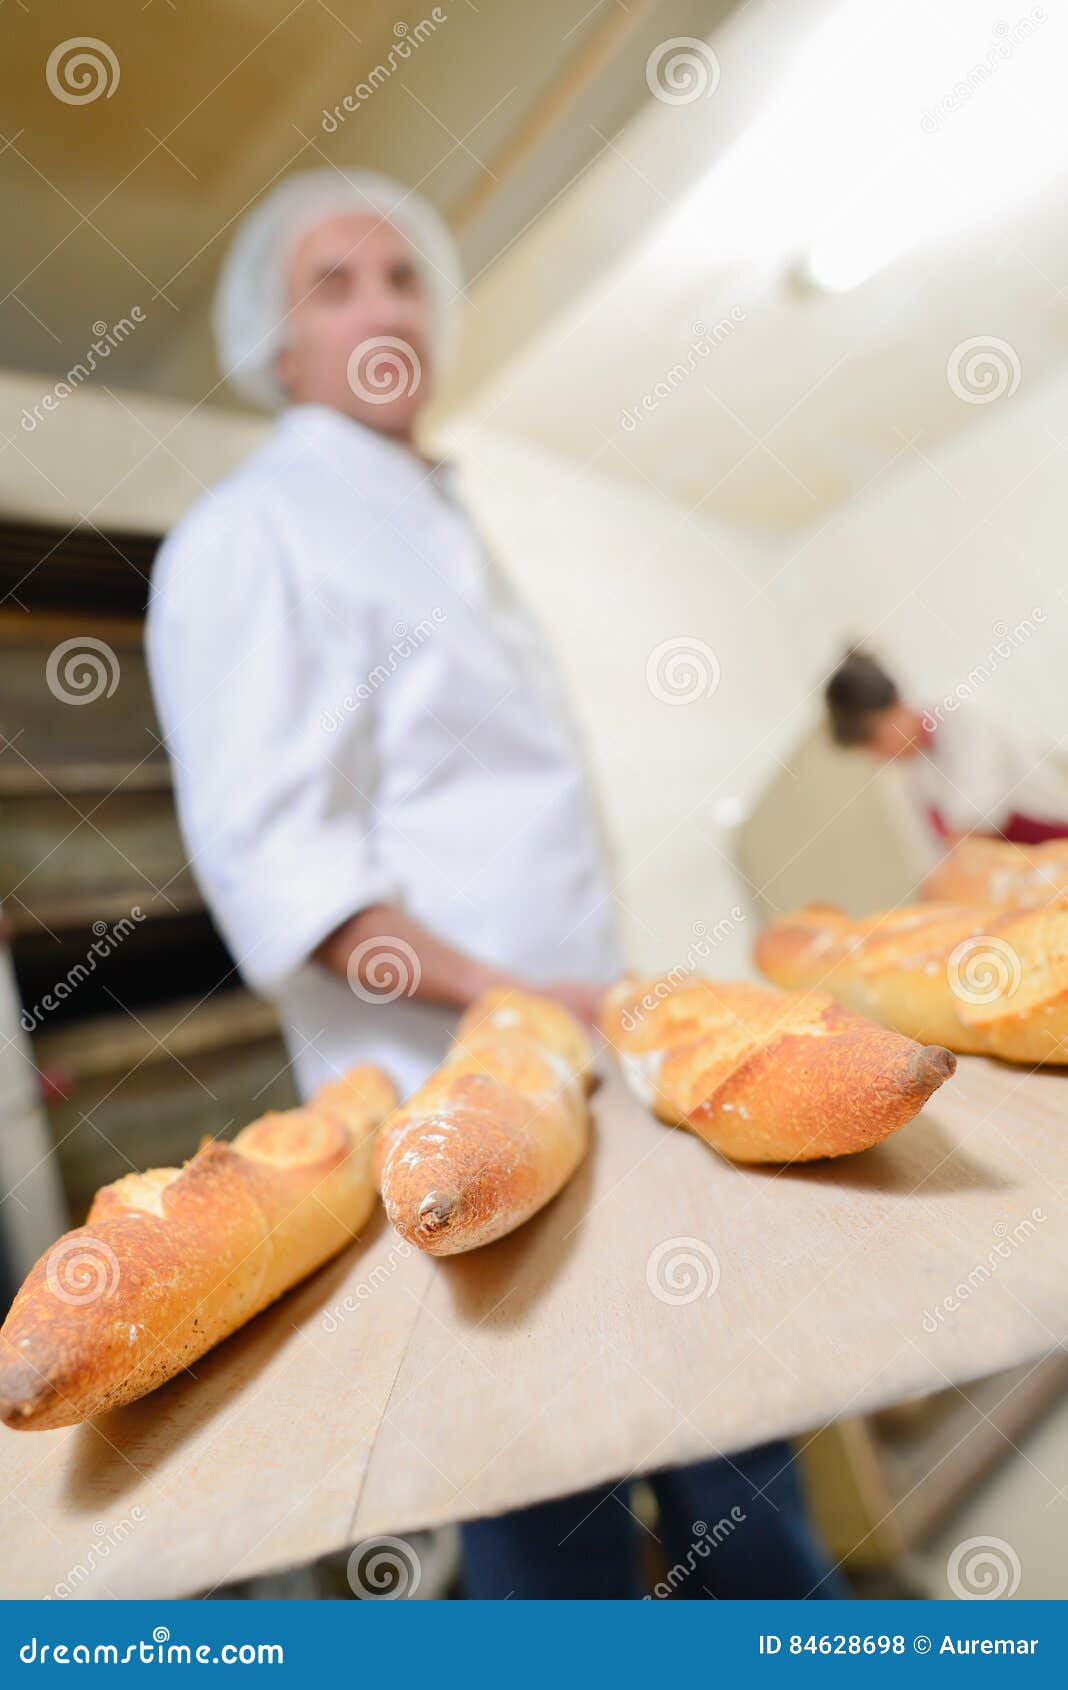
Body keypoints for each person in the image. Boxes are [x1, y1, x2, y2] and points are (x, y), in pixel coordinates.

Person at [146, 169, 844, 1601]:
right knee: (558, 1551)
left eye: (403, 275)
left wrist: (592, 1006)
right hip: (461, 1135)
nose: (384, 306)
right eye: (332, 286)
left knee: (749, 1504)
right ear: (273, 348)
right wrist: (518, 995)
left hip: (601, 1080)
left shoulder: (439, 522)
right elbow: (292, 877)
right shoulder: (251, 534)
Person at [825, 647, 1068, 848]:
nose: (879, 755)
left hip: (1055, 840)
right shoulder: (898, 773)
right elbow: (926, 858)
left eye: (878, 739)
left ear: (897, 705)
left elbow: (979, 819)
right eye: (868, 750)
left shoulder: (964, 718)